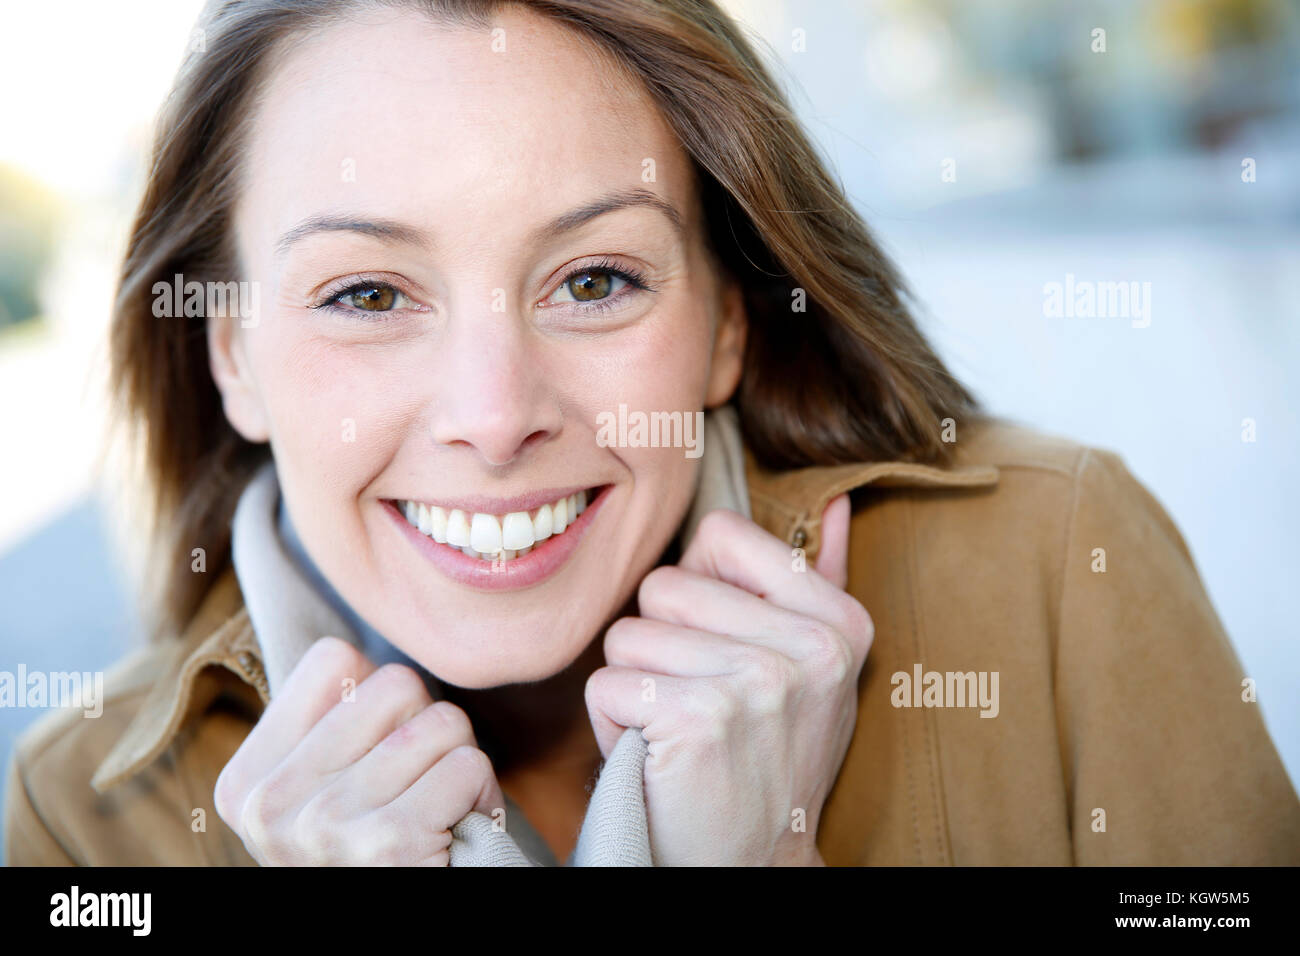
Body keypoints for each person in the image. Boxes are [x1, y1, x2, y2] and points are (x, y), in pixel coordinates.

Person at [5, 0, 1297, 866]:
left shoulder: (1058, 570)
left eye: (595, 281)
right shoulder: (81, 810)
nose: (498, 418)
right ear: (231, 354)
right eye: (367, 296)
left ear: (731, 321)